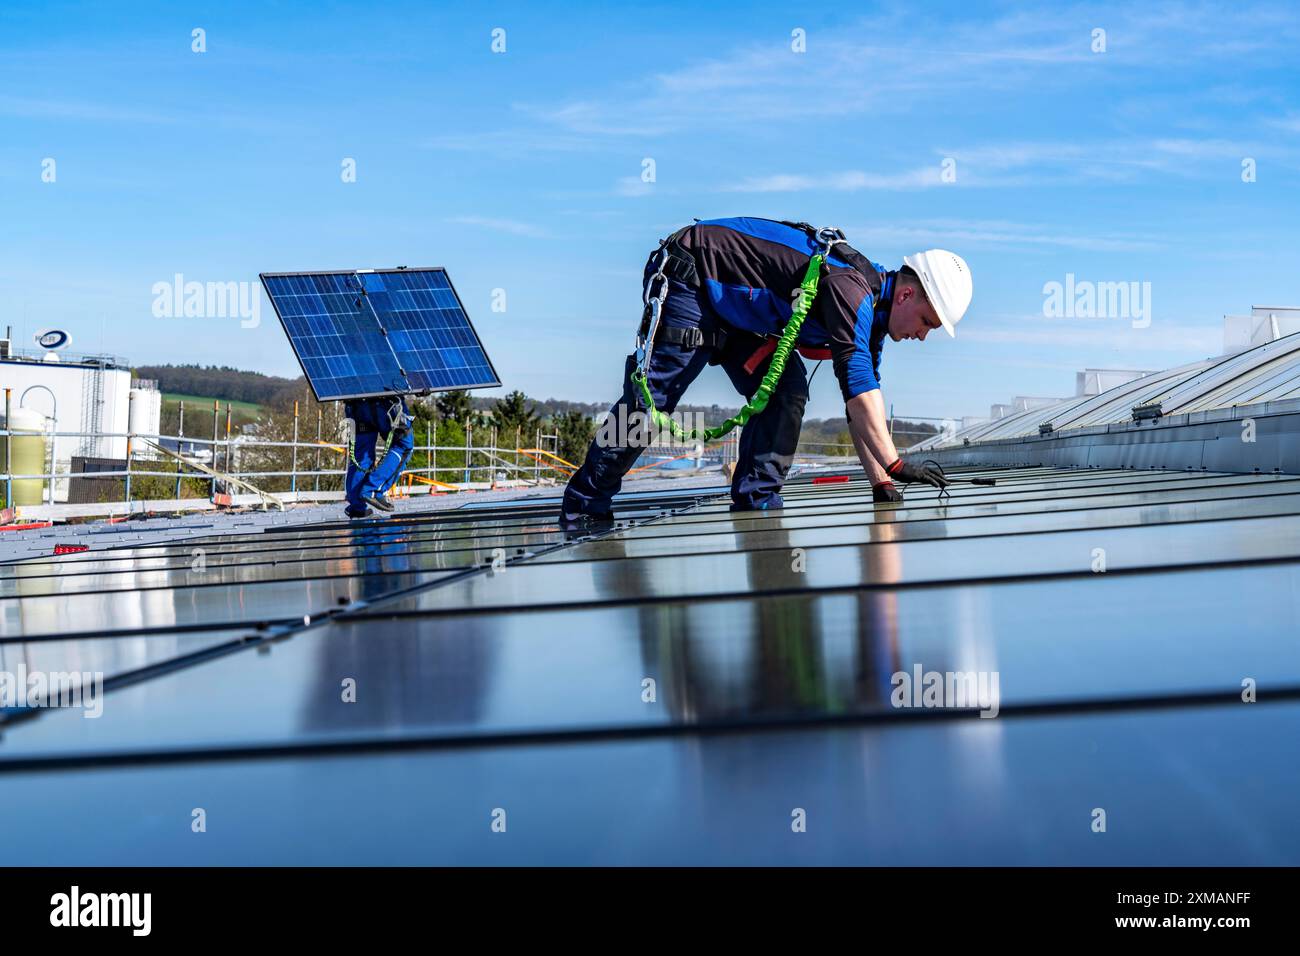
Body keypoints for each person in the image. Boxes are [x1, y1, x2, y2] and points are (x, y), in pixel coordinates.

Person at [560, 217, 972, 529]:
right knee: (655, 397)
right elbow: (858, 385)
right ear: (904, 294)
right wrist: (898, 465)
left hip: (740, 317)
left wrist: (882, 484)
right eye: (927, 322)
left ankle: (756, 506)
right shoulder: (852, 290)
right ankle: (585, 506)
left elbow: (860, 407)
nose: (922, 335)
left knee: (786, 392)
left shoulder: (873, 316)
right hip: (695, 277)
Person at [343, 394, 413, 518]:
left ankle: (357, 506)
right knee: (403, 446)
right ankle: (374, 490)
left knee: (361, 455)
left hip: (356, 404)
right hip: (386, 402)